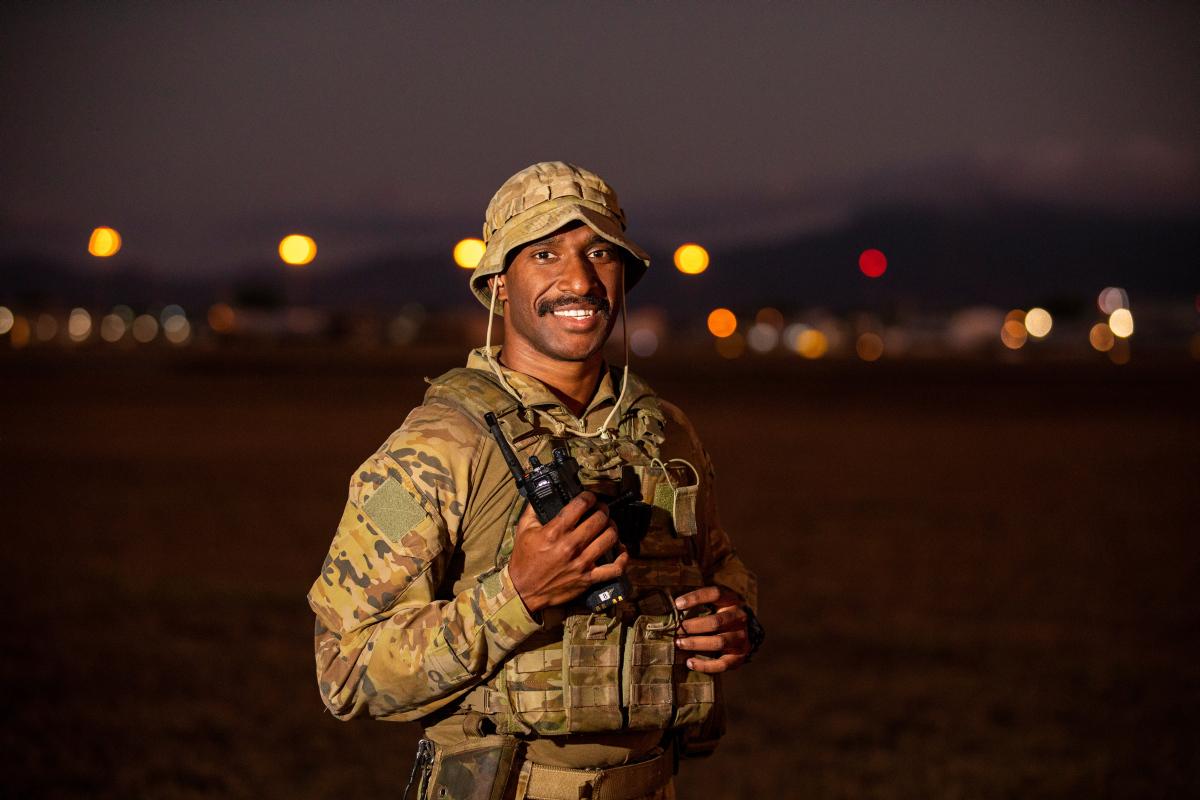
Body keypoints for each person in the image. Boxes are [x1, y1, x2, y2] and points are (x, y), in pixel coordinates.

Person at [308, 162, 762, 800]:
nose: (580, 280)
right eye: (545, 254)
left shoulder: (664, 433)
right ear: (498, 282)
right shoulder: (432, 448)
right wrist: (517, 594)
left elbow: (719, 563)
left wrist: (737, 617)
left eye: (600, 253)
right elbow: (345, 671)